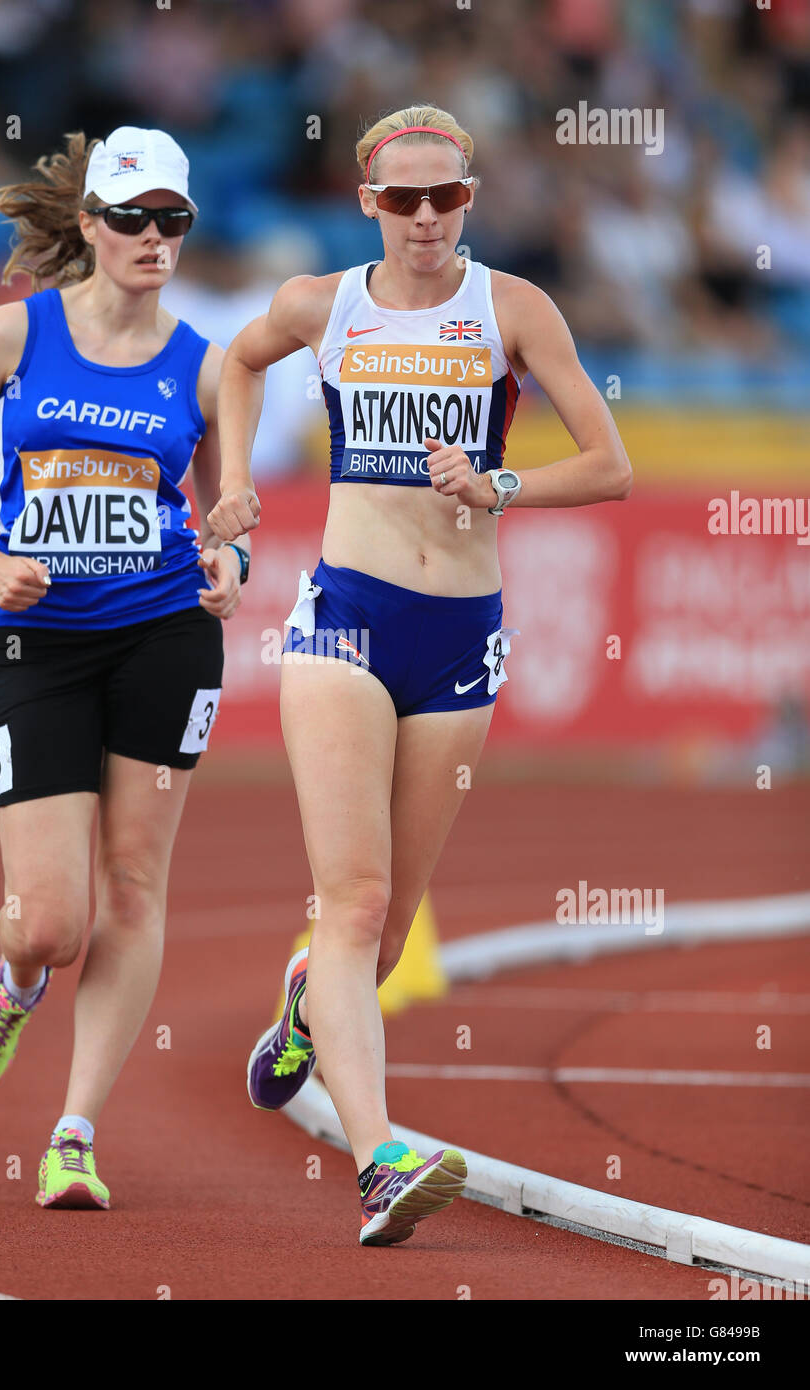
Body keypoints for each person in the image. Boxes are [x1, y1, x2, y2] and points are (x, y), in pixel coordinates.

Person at [208, 104, 631, 1246]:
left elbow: (609, 465)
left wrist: (500, 485)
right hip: (345, 620)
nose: (427, 216)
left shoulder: (511, 308)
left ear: (470, 200)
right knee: (349, 898)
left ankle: (305, 997)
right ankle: (379, 1155)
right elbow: (230, 364)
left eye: (447, 196)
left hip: (458, 637)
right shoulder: (321, 303)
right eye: (404, 198)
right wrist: (234, 486)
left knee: (385, 933)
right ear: (368, 205)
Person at [0, 126, 248, 1209]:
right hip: (37, 641)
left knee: (133, 886)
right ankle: (11, 985)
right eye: (131, 218)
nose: (152, 238)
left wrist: (230, 557)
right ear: (89, 223)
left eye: (171, 221)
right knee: (50, 921)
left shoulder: (206, 362)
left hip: (162, 636)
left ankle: (75, 1131)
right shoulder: (13, 336)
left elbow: (222, 513)